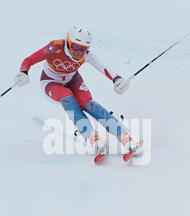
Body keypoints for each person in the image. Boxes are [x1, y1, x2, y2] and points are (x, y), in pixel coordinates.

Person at [15, 26, 142, 162]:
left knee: (90, 105)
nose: (79, 52)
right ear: (69, 42)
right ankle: (93, 139)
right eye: (75, 47)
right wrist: (23, 72)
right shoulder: (55, 47)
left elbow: (103, 67)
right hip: (50, 82)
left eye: (83, 49)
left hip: (73, 80)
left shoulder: (86, 54)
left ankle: (126, 138)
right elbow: (28, 60)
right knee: (68, 98)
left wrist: (117, 79)